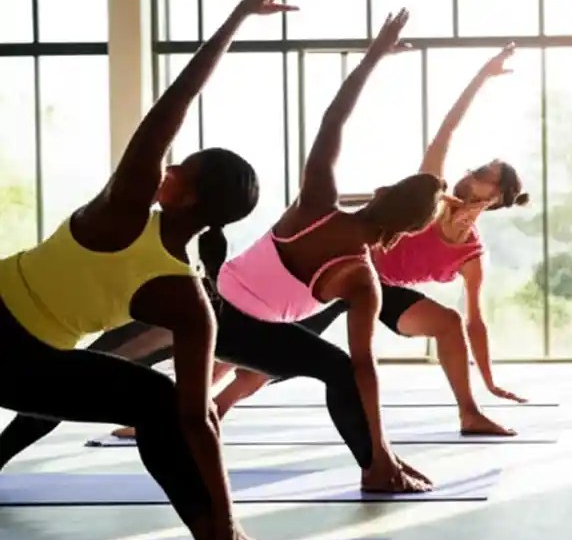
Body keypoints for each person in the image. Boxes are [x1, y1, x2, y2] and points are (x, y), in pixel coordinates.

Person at [0, 9, 442, 495]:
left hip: (194, 300)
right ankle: (374, 469)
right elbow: (363, 370)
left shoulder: (316, 202)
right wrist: (381, 450)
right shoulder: (361, 279)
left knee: (64, 375)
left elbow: (335, 116)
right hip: (222, 318)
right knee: (336, 366)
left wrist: (375, 54)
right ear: (407, 231)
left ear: (379, 191)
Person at [0, 0, 301, 540]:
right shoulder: (189, 300)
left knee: (159, 400)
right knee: (162, 401)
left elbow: (177, 98)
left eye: (177, 168)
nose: (165, 168)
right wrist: (227, 525)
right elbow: (200, 420)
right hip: (20, 368)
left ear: (184, 195)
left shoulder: (124, 210)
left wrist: (240, 14)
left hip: (14, 353)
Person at [196, 45, 535, 437]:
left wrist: (490, 380)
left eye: (483, 173)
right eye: (478, 166)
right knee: (256, 348)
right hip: (345, 272)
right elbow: (448, 129)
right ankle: (200, 405)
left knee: (449, 322)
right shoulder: (430, 192)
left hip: (380, 289)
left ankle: (470, 413)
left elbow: (476, 320)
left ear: (494, 197)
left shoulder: (472, 253)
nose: (472, 171)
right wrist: (482, 76)